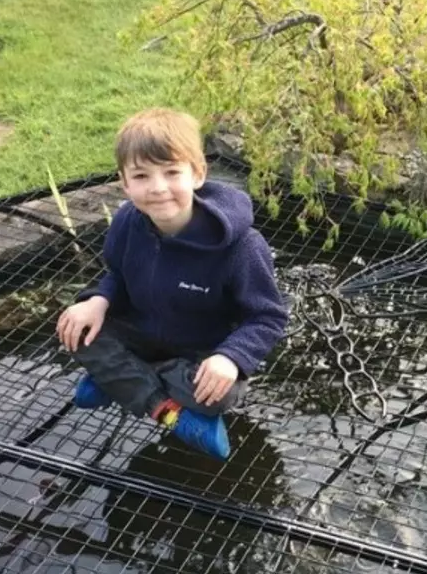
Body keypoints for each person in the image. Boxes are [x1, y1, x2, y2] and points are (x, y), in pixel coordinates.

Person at [55, 108, 289, 460]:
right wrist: (98, 300)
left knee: (220, 396)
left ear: (198, 174)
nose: (158, 188)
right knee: (76, 328)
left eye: (171, 172)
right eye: (142, 175)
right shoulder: (126, 222)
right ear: (125, 182)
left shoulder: (241, 246)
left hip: (199, 350)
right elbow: (118, 275)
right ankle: (163, 409)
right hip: (141, 332)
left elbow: (268, 317)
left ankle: (120, 380)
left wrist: (230, 357)